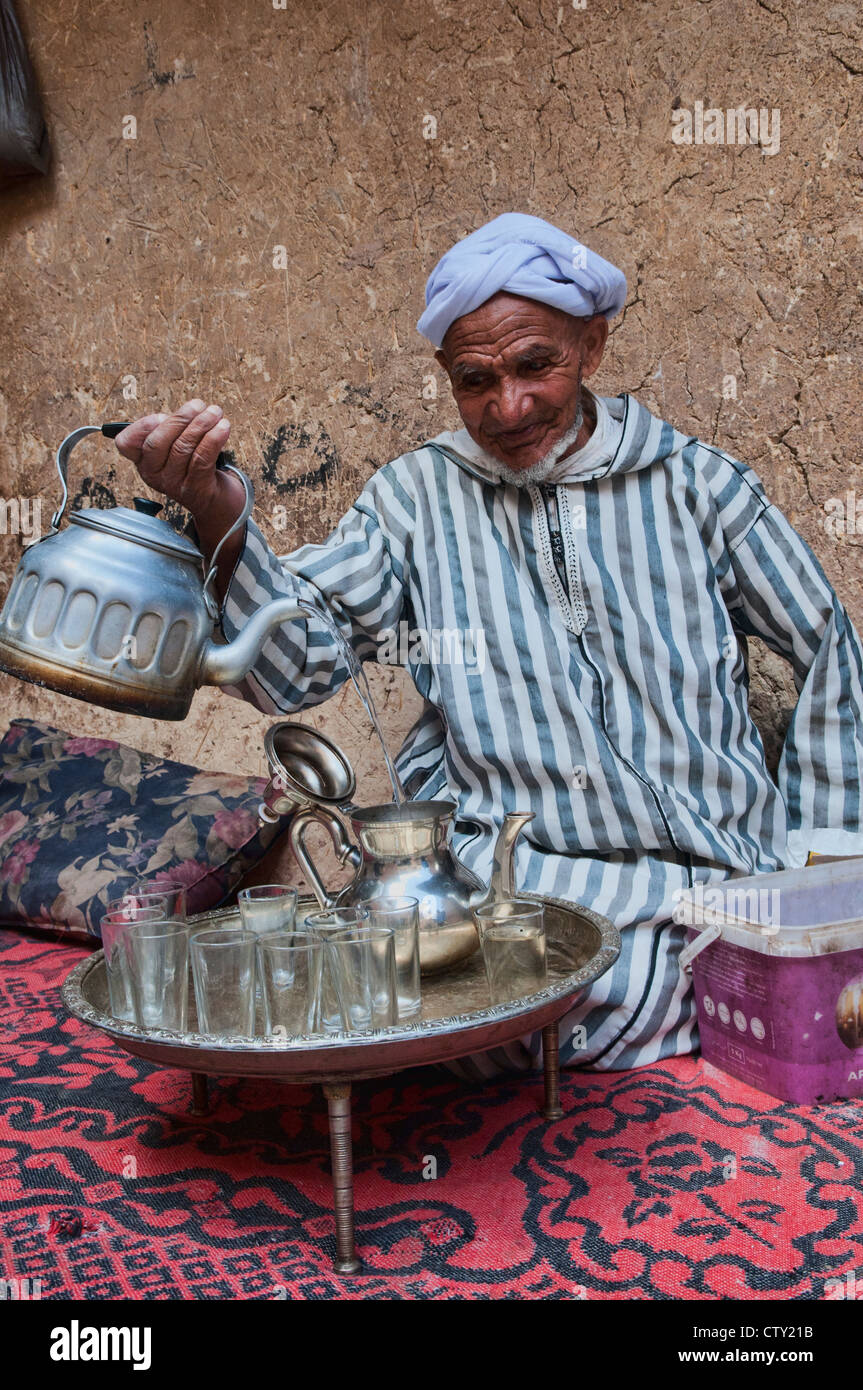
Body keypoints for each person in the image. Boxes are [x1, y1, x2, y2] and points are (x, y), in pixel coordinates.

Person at [115, 212, 863, 1078]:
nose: (508, 407)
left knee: (589, 1002)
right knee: (409, 982)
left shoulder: (698, 485)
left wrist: (825, 871)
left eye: (534, 364)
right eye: (475, 380)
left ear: (591, 344)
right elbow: (288, 671)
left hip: (704, 881)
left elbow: (825, 651)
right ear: (445, 376)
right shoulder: (414, 499)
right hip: (512, 890)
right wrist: (216, 510)